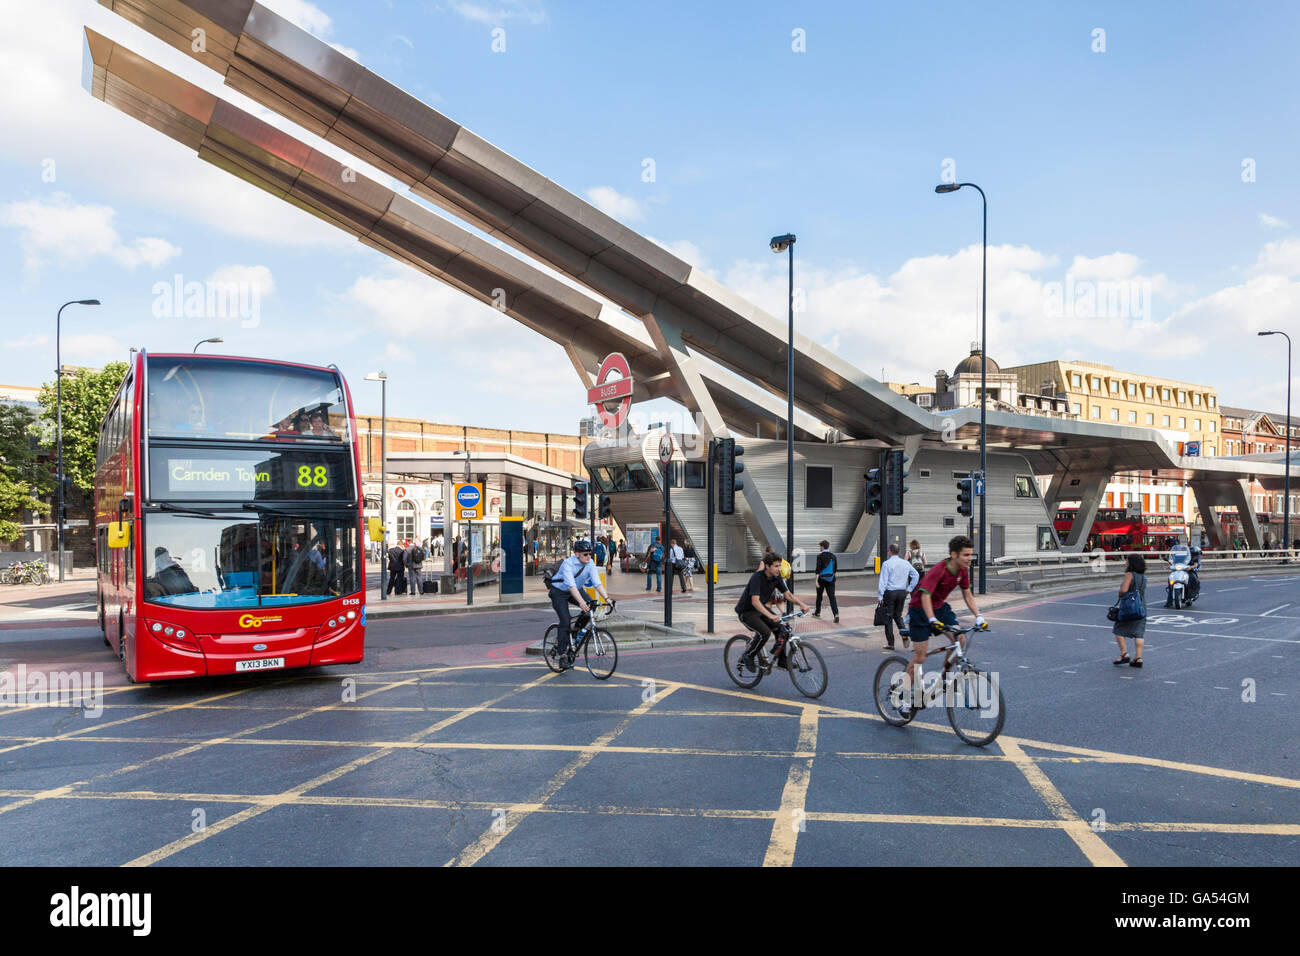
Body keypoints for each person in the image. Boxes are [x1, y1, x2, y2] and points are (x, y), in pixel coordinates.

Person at [902, 535, 986, 713]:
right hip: (920, 610)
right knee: (920, 657)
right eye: (966, 555)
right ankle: (903, 697)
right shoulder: (939, 570)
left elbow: (967, 594)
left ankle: (945, 676)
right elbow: (925, 596)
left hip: (940, 608)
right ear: (954, 555)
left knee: (960, 639)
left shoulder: (962, 570)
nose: (970, 559)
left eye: (971, 555)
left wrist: (978, 616)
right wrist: (932, 620)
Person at [736, 551, 811, 669]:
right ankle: (748, 656)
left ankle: (782, 661)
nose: (779, 568)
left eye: (780, 565)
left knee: (783, 630)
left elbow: (788, 595)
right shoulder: (757, 577)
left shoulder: (777, 577)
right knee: (765, 633)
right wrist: (770, 616)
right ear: (767, 566)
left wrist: (802, 604)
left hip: (761, 610)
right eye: (776, 566)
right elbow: (755, 601)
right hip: (747, 612)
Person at [548, 540, 615, 666]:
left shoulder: (590, 563)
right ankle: (562, 655)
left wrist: (607, 599)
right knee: (565, 620)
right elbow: (571, 586)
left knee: (592, 605)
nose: (589, 556)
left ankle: (575, 631)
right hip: (559, 591)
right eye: (585, 554)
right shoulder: (568, 564)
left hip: (576, 589)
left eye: (590, 554)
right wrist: (581, 602)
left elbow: (597, 583)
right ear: (577, 554)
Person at [876, 542, 919, 649]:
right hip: (902, 592)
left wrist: (880, 596)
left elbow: (883, 581)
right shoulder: (905, 563)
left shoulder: (887, 564)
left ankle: (891, 643)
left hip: (890, 593)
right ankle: (904, 635)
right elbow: (916, 575)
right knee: (898, 615)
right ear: (898, 552)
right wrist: (909, 589)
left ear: (890, 552)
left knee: (888, 617)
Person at [1112, 553, 1147, 668]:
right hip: (1141, 606)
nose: (1126, 562)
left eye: (1127, 560)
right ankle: (1138, 658)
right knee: (1139, 632)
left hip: (1129, 606)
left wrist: (1120, 593)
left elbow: (1124, 590)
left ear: (1131, 563)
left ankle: (1124, 654)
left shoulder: (1129, 575)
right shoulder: (1144, 577)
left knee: (1119, 629)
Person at [813, 540, 840, 623]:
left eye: (820, 547)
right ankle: (836, 614)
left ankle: (817, 612)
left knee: (819, 596)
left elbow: (818, 569)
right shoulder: (833, 556)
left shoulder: (820, 556)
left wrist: (816, 581)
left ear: (822, 547)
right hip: (831, 579)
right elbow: (835, 568)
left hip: (821, 579)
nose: (819, 548)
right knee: (832, 597)